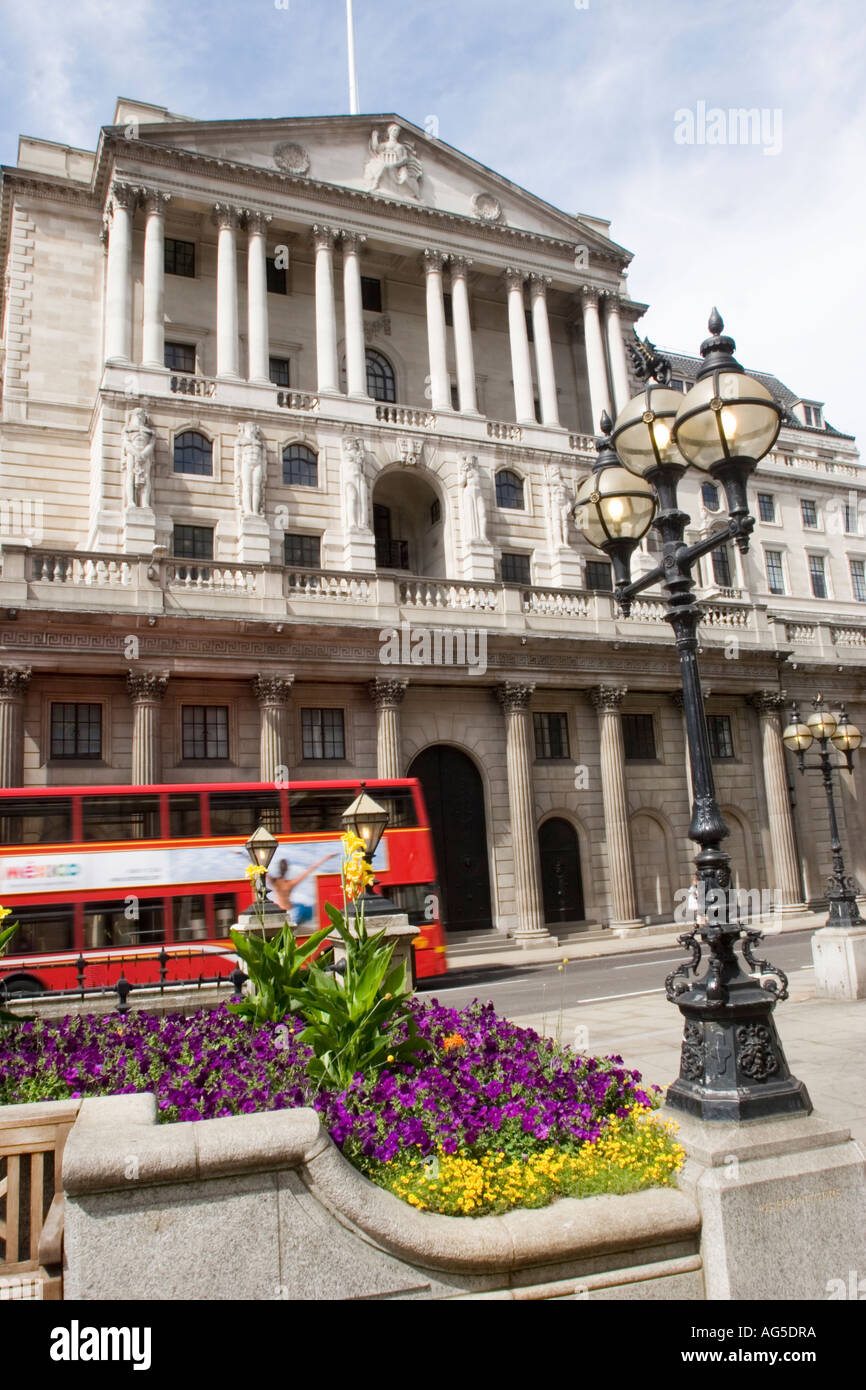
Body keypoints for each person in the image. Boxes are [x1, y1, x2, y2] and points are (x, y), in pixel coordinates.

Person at [267, 851, 337, 925]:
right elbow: (310, 870)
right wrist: (326, 858)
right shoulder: (290, 883)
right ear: (287, 869)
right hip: (290, 911)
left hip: (287, 911)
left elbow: (264, 872)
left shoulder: (275, 882)